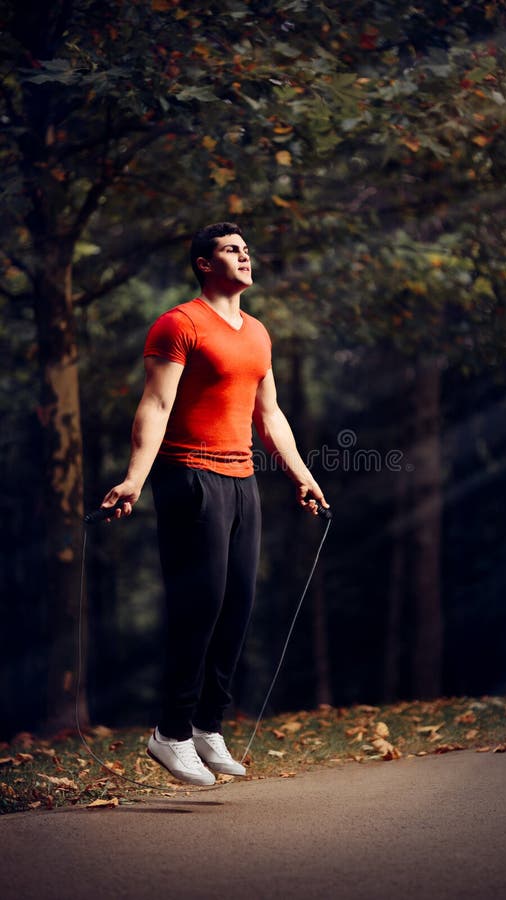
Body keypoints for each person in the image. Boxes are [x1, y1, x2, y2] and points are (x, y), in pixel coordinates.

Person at [101, 222, 328, 786]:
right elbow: (155, 403)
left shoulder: (257, 333)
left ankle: (207, 725)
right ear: (205, 263)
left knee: (237, 605)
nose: (245, 256)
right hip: (187, 475)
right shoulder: (179, 324)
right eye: (232, 249)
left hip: (242, 477)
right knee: (200, 604)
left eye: (247, 249)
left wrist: (301, 475)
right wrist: (135, 478)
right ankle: (170, 733)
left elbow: (269, 414)